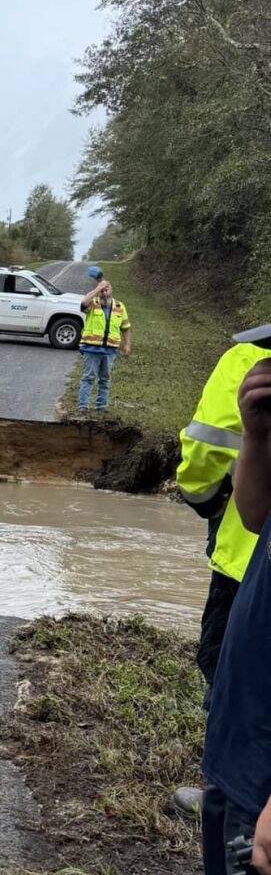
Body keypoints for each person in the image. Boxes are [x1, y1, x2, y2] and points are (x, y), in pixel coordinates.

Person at [143, 355, 271, 875]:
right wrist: (255, 436)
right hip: (250, 679)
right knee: (225, 823)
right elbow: (255, 515)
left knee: (261, 865)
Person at [170, 325, 271, 816]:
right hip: (253, 536)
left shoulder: (250, 356)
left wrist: (208, 506)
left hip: (243, 559)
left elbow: (203, 456)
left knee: (232, 675)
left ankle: (229, 795)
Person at [76, 268, 132, 414]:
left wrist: (127, 345)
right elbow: (83, 303)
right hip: (91, 348)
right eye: (102, 289)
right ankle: (83, 407)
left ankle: (101, 407)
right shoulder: (93, 303)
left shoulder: (119, 306)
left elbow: (125, 327)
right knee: (88, 377)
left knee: (105, 379)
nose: (104, 292)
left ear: (111, 290)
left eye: (107, 289)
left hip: (110, 350)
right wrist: (97, 288)